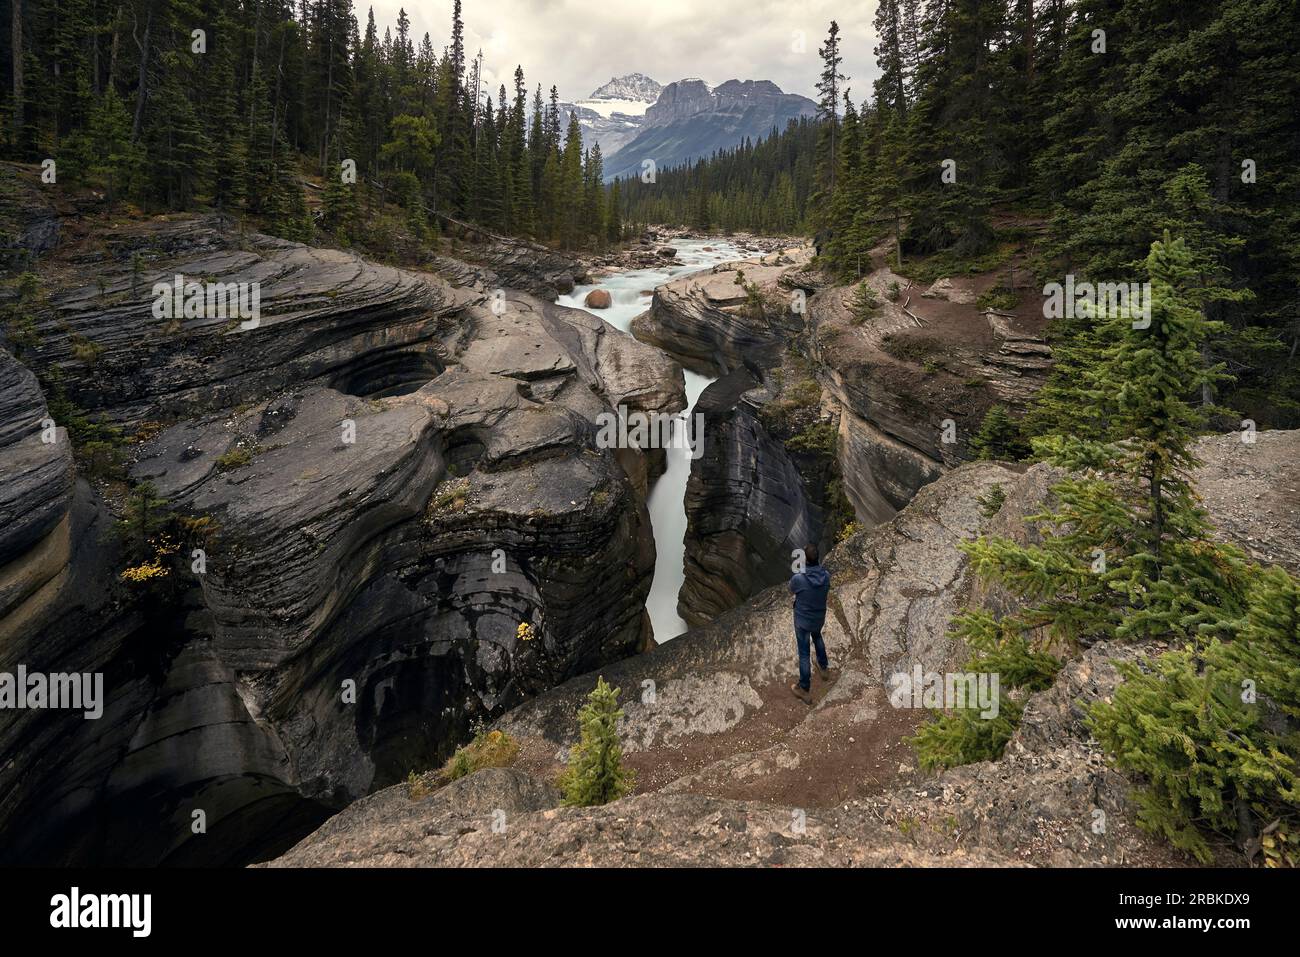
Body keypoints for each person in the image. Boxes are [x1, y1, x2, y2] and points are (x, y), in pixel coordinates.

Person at [789, 543, 831, 704]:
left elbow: (791, 590)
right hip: (819, 617)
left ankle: (804, 689)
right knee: (818, 637)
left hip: (802, 621)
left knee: (804, 654)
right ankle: (824, 668)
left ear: (805, 559)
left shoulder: (799, 578)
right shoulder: (826, 575)